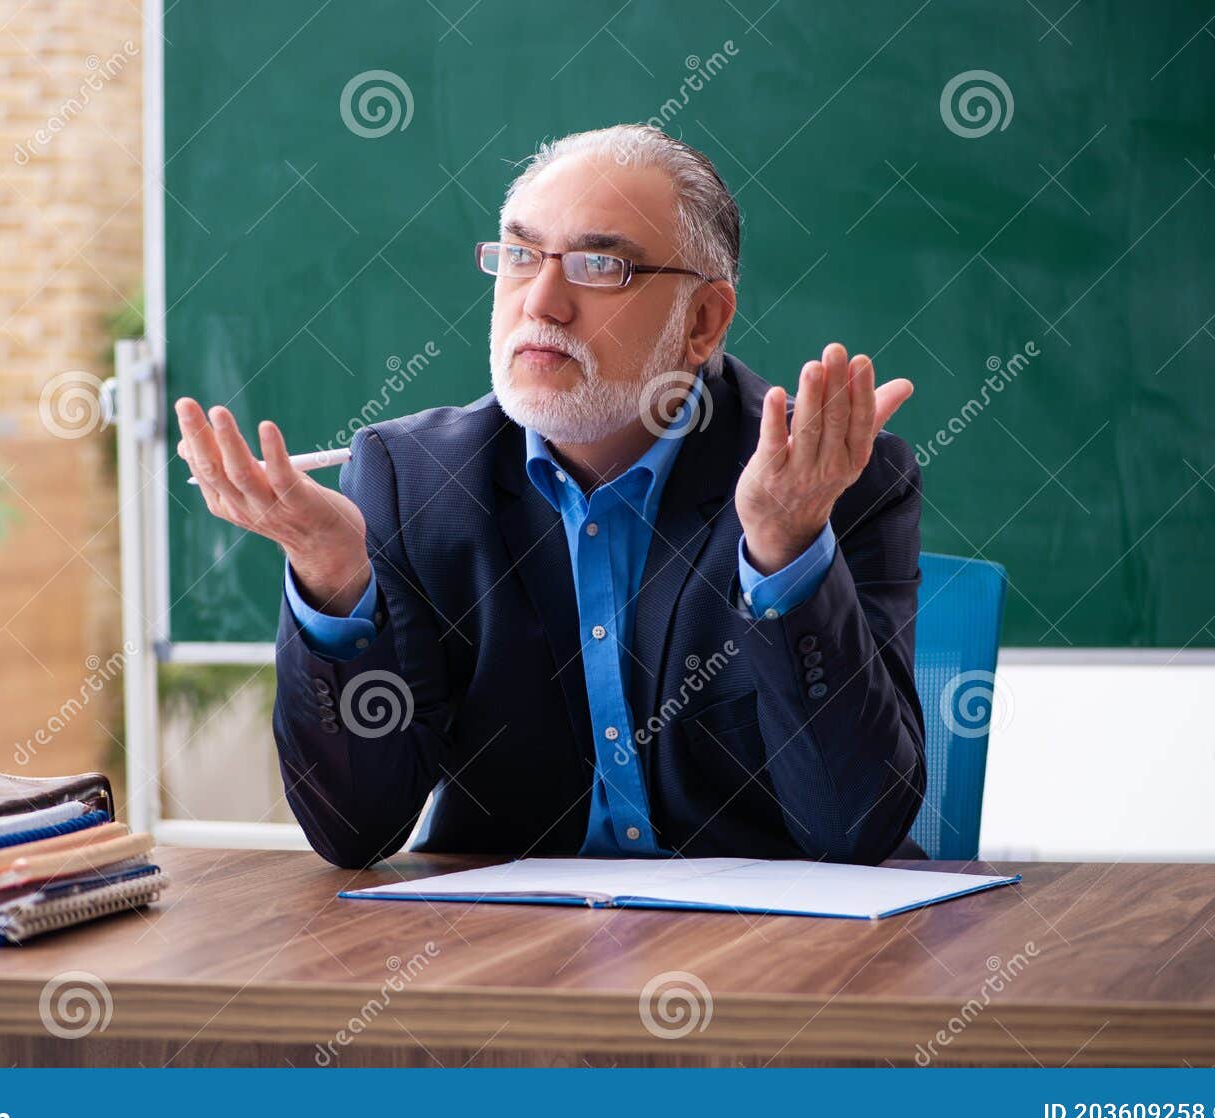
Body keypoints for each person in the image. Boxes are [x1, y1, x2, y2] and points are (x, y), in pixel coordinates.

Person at [175, 123, 926, 869]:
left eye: (600, 265)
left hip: (774, 954)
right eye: (521, 255)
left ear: (702, 321)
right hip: (509, 949)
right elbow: (353, 830)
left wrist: (787, 547)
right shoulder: (409, 481)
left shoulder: (826, 477)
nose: (542, 302)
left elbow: (851, 829)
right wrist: (332, 573)